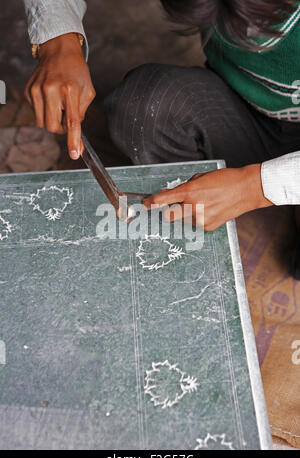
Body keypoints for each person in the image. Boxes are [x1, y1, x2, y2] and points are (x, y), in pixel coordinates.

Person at [23, 0, 300, 278]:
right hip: (241, 108)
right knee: (146, 109)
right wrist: (59, 41)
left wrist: (256, 187)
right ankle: (188, 221)